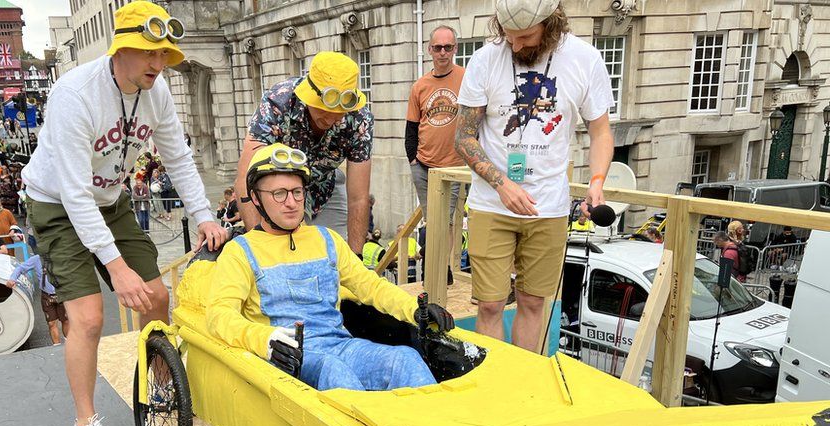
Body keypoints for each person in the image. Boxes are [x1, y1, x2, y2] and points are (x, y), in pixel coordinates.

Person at [21, 0, 226, 426]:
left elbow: (177, 157)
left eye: (164, 55)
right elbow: (73, 192)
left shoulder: (156, 92)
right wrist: (115, 267)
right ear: (121, 51)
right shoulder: (74, 95)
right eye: (149, 54)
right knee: (90, 318)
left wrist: (204, 215)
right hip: (57, 204)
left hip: (110, 202)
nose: (159, 64)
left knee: (156, 296)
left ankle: (158, 384)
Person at [208, 143, 452, 391]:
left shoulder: (327, 240)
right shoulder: (241, 251)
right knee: (334, 370)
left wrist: (415, 310)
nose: (291, 202)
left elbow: (371, 286)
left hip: (339, 346)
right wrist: (265, 339)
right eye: (279, 194)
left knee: (405, 359)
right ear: (257, 198)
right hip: (291, 359)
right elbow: (220, 315)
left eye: (297, 192)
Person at [454, 0, 614, 351]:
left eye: (525, 37)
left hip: (549, 208)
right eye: (509, 37)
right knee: (491, 304)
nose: (515, 45)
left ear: (550, 24)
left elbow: (601, 132)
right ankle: (493, 385)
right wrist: (502, 183)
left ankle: (522, 389)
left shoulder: (584, 59)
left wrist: (597, 181)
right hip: (491, 205)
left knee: (533, 303)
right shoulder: (484, 60)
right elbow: (463, 137)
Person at [234, 51, 373, 253]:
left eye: (339, 114)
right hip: (277, 189)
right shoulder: (278, 103)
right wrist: (258, 251)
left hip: (325, 186)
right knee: (279, 253)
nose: (331, 119)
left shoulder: (360, 119)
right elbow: (245, 179)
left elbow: (358, 197)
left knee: (336, 255)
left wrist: (356, 258)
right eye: (324, 109)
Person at [406, 25, 467, 221]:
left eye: (448, 47)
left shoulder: (467, 78)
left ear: (455, 48)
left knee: (447, 222)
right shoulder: (420, 86)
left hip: (455, 166)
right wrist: (413, 161)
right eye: (438, 47)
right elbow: (411, 128)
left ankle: (446, 254)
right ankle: (433, 254)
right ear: (429, 49)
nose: (443, 53)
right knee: (432, 221)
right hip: (424, 167)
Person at [7, 254, 69, 345]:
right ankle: (56, 346)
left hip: (62, 294)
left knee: (66, 320)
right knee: (51, 323)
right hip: (46, 296)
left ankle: (69, 342)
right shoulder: (36, 259)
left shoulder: (60, 254)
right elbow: (20, 268)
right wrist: (12, 279)